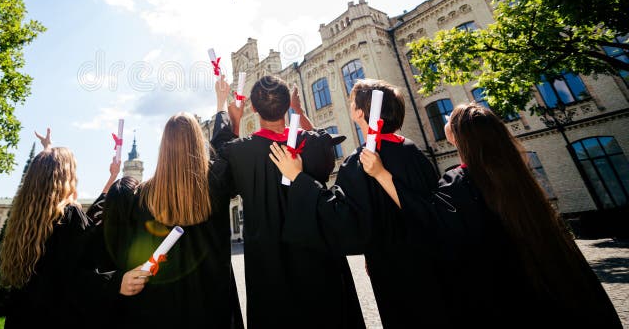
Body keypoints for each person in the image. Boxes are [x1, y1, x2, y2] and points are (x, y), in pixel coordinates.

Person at [357, 103, 622, 328]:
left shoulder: (463, 182)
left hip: (501, 297)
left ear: (459, 138)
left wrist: (381, 174)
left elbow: (432, 220)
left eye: (451, 118)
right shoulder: (516, 175)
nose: (446, 118)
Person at [269, 79, 441, 328]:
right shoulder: (414, 152)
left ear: (360, 113)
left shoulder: (360, 163)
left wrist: (298, 178)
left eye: (352, 101)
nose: (350, 104)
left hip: (394, 272)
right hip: (429, 267)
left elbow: (341, 219)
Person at [211, 74, 365, 328]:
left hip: (270, 272)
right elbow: (322, 140)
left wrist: (226, 113)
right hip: (319, 264)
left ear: (253, 108)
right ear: (286, 107)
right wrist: (299, 111)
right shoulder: (314, 144)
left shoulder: (239, 153)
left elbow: (221, 159)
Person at [102, 111, 243, 329]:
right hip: (213, 310)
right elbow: (227, 152)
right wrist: (224, 110)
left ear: (163, 147)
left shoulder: (139, 197)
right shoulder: (217, 182)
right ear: (198, 144)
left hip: (160, 312)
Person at [0, 129, 148, 327]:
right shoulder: (68, 217)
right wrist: (116, 283)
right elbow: (76, 277)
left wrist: (48, 149)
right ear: (63, 179)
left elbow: (46, 169)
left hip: (23, 315)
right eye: (72, 172)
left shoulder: (27, 221)